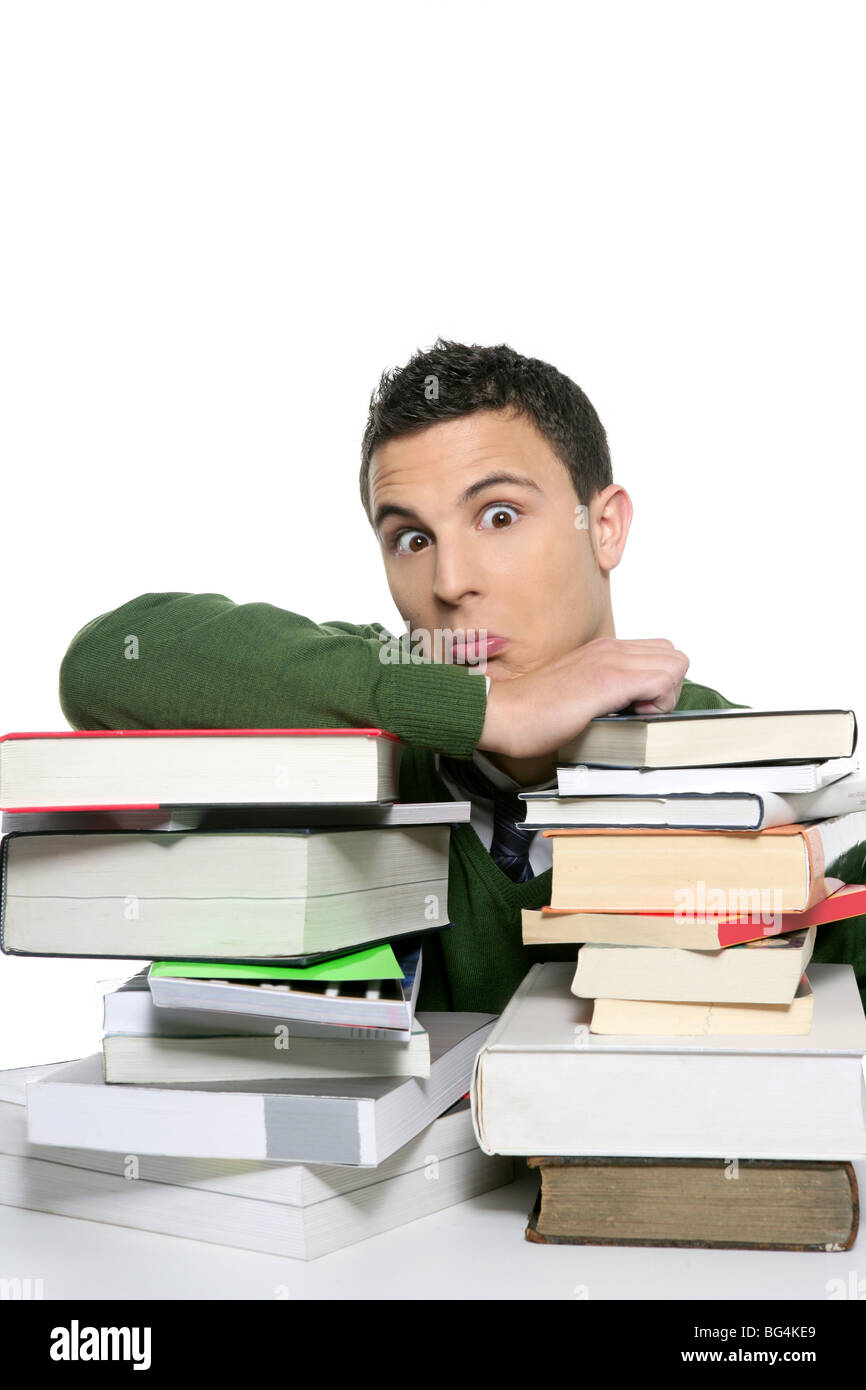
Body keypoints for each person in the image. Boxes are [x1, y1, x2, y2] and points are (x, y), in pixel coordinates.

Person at [58, 339, 865, 1012]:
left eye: (500, 516)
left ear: (605, 527)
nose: (450, 583)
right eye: (410, 538)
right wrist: (484, 710)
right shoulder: (377, 709)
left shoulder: (778, 801)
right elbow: (107, 662)